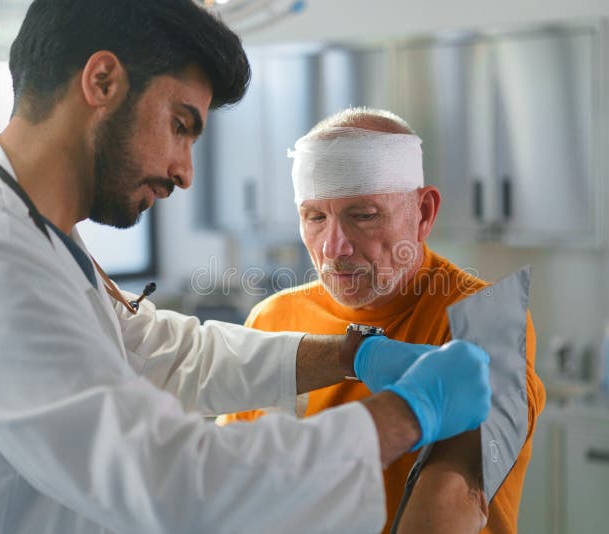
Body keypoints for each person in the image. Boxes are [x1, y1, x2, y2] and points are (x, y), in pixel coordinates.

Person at [0, 2, 493, 533]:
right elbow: (176, 482)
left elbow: (164, 356)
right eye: (180, 125)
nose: (185, 172)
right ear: (102, 82)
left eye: (364, 215)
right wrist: (409, 413)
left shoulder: (36, 230)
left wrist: (352, 355)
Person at [219, 108, 546, 533]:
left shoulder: (484, 319)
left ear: (423, 213)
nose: (333, 248)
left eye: (363, 215)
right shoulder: (273, 317)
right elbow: (230, 476)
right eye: (315, 217)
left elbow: (456, 492)